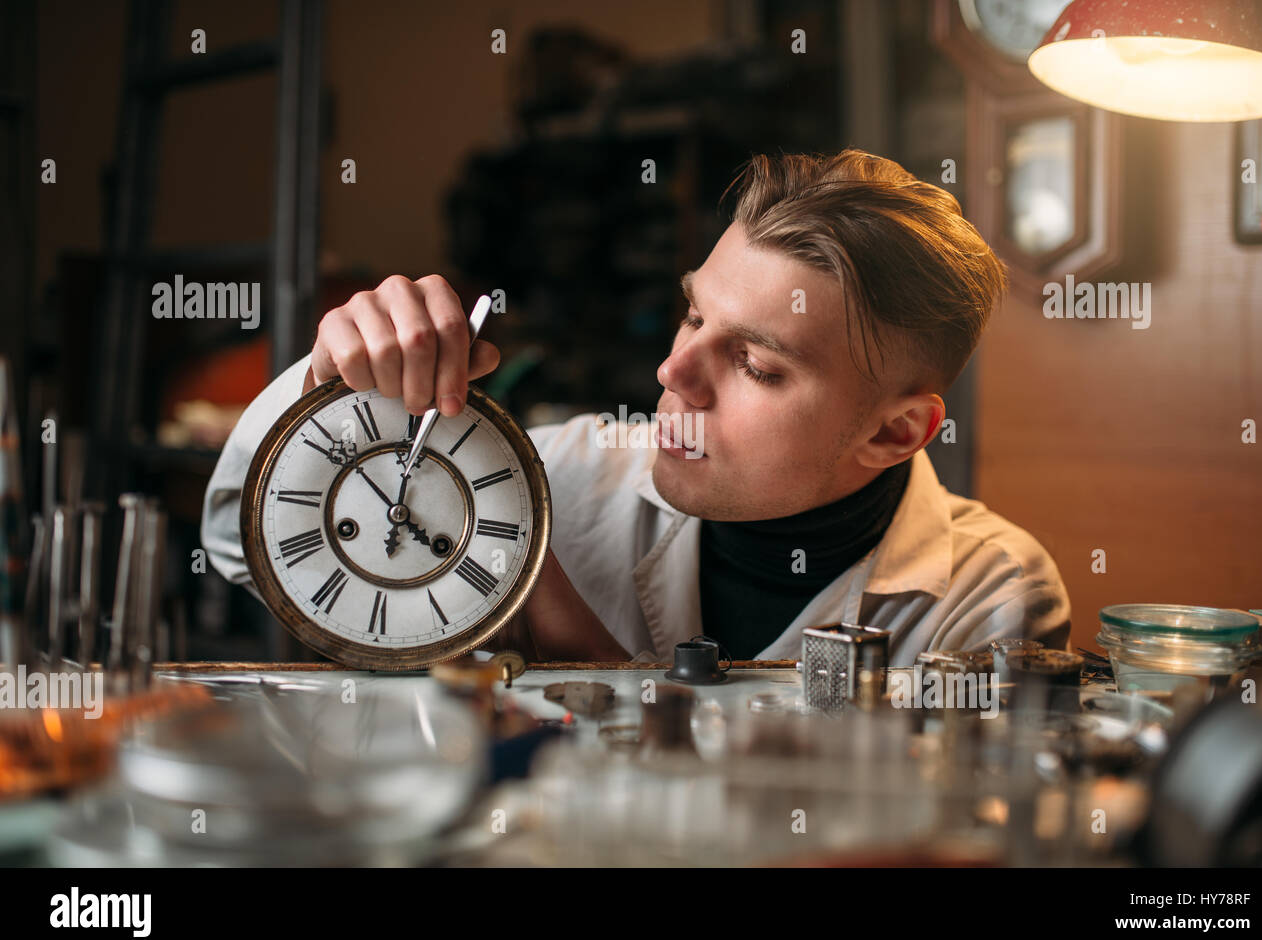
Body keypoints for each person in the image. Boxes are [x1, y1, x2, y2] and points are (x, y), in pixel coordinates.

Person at [201, 150, 1070, 664]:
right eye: (695, 314)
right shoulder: (565, 474)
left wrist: (574, 640)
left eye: (757, 364)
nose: (673, 372)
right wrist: (334, 385)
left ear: (895, 430)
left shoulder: (988, 598)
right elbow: (235, 541)